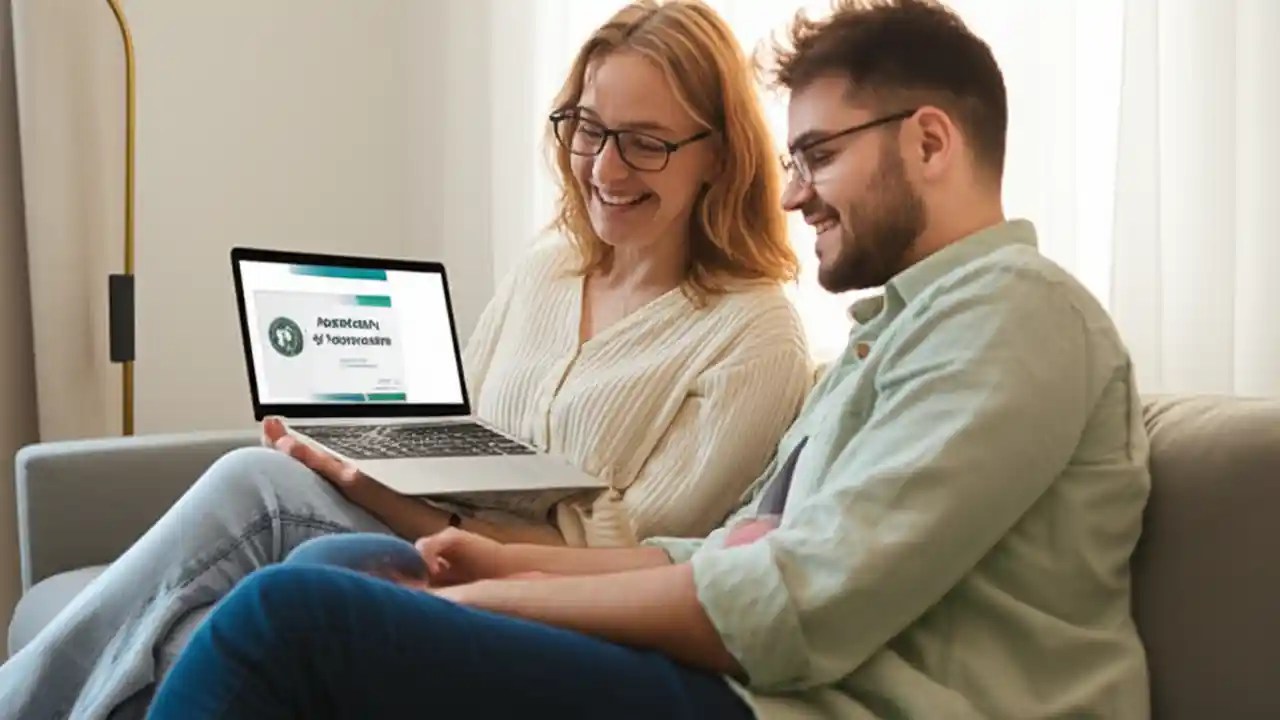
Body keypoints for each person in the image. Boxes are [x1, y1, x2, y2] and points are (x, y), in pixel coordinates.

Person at [147, 0, 1156, 718]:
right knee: (342, 558)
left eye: (816, 155)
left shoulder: (1013, 317)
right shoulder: (893, 338)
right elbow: (726, 549)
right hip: (769, 680)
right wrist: (504, 557)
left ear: (929, 143)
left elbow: (794, 601)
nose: (795, 191)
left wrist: (505, 595)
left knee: (296, 610)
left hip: (807, 700)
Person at [0, 2, 815, 717]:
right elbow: (460, 429)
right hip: (429, 519)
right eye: (588, 129)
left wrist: (386, 502)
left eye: (643, 144)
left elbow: (633, 562)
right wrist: (375, 458)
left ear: (718, 153)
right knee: (188, 622)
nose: (604, 169)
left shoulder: (754, 336)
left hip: (539, 581)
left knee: (256, 487)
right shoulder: (550, 266)